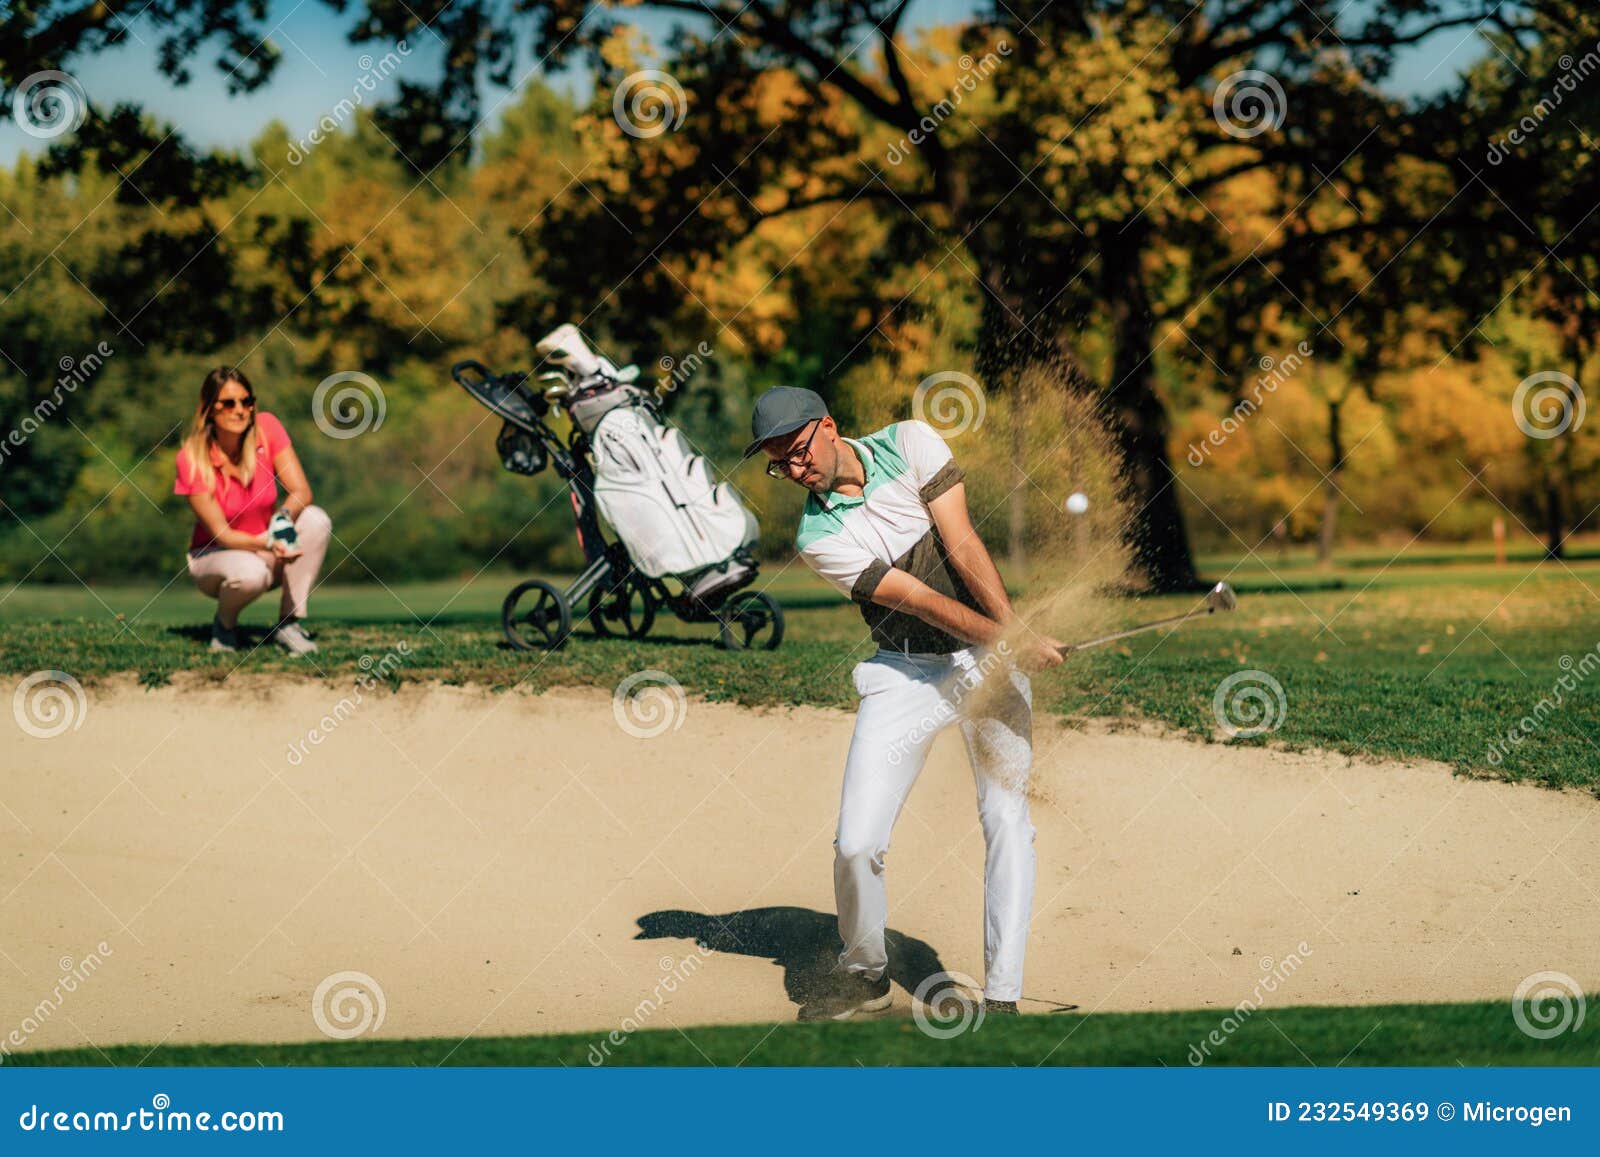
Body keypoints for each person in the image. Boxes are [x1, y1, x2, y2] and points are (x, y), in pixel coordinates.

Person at [743, 386, 1064, 1021]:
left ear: (829, 427)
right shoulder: (816, 534)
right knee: (857, 842)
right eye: (780, 464)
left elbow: (964, 543)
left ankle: (1002, 996)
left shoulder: (910, 443)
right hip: (904, 673)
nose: (795, 470)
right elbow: (913, 597)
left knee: (1006, 823)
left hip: (985, 665)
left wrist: (1008, 636)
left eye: (799, 451)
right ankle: (864, 972)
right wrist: (1009, 635)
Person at [174, 367, 332, 655]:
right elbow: (223, 535)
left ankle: (289, 623)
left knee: (316, 520)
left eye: (246, 402)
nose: (240, 410)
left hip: (264, 547)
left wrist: (282, 525)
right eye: (228, 403)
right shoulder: (191, 459)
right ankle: (224, 627)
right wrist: (272, 543)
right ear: (209, 409)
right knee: (251, 572)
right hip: (214, 557)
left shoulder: (267, 428)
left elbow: (301, 491)